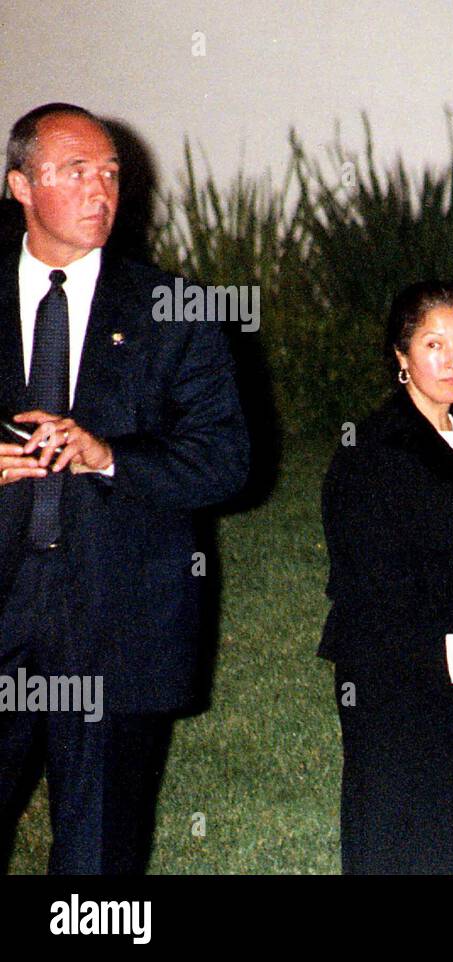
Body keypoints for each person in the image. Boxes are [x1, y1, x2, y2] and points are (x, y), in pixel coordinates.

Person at [0, 103, 249, 873]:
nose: (100, 189)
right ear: (20, 185)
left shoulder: (177, 308)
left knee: (99, 857)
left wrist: (110, 456)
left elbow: (228, 462)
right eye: (76, 171)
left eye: (111, 172)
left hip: (113, 619)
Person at [318, 283, 453, 874]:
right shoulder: (372, 447)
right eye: (434, 344)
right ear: (401, 355)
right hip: (395, 671)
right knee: (401, 828)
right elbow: (373, 569)